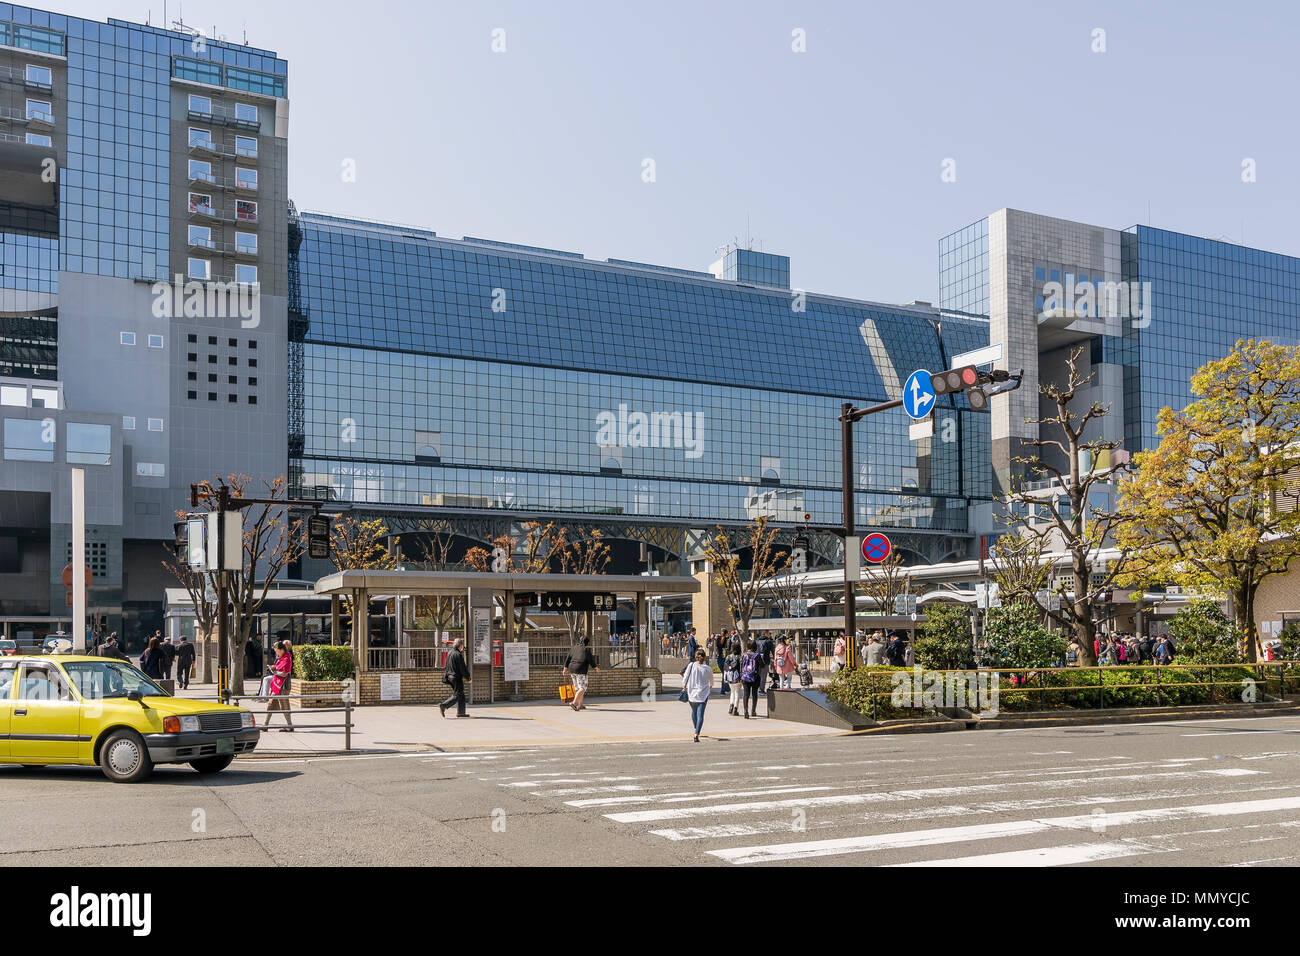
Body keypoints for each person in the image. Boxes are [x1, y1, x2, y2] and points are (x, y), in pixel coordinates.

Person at [682, 648, 713, 742]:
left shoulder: (691, 665)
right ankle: (696, 733)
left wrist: (684, 686)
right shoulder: (708, 668)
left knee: (694, 711)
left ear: (696, 657)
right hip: (703, 694)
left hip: (691, 693)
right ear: (704, 658)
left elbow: (685, 677)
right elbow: (711, 682)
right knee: (700, 715)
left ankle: (696, 727)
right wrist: (709, 688)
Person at [562, 635, 600, 711]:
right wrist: (596, 668)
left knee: (577, 688)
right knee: (582, 688)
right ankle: (574, 703)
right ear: (587, 642)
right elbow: (591, 660)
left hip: (572, 669)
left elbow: (568, 659)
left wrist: (565, 669)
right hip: (581, 670)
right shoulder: (586, 649)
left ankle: (580, 705)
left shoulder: (574, 648)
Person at [263, 640, 294, 730]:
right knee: (270, 704)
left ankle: (290, 726)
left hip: (283, 686)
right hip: (276, 685)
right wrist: (273, 668)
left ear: (281, 650)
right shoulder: (281, 658)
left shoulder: (287, 658)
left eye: (276, 651)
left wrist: (274, 671)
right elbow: (278, 668)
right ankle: (266, 725)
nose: (276, 653)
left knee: (284, 706)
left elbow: (285, 673)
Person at [438, 637, 472, 717]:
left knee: (461, 694)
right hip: (456, 677)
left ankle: (461, 712)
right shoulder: (458, 655)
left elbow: (446, 665)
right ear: (459, 645)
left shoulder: (450, 653)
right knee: (458, 695)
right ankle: (444, 705)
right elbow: (463, 668)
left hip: (450, 677)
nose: (462, 647)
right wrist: (468, 678)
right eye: (462, 645)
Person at [739, 640, 763, 719]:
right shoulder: (757, 655)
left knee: (746, 694)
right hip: (755, 677)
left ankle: (746, 711)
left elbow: (741, 666)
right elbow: (762, 665)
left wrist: (741, 676)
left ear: (747, 647)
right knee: (754, 694)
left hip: (745, 677)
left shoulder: (744, 655)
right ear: (755, 647)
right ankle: (753, 710)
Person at [723, 640, 743, 715]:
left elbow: (725, 667)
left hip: (730, 677)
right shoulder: (740, 657)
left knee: (732, 692)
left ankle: (731, 706)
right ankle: (735, 708)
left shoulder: (728, 657)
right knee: (737, 693)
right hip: (738, 677)